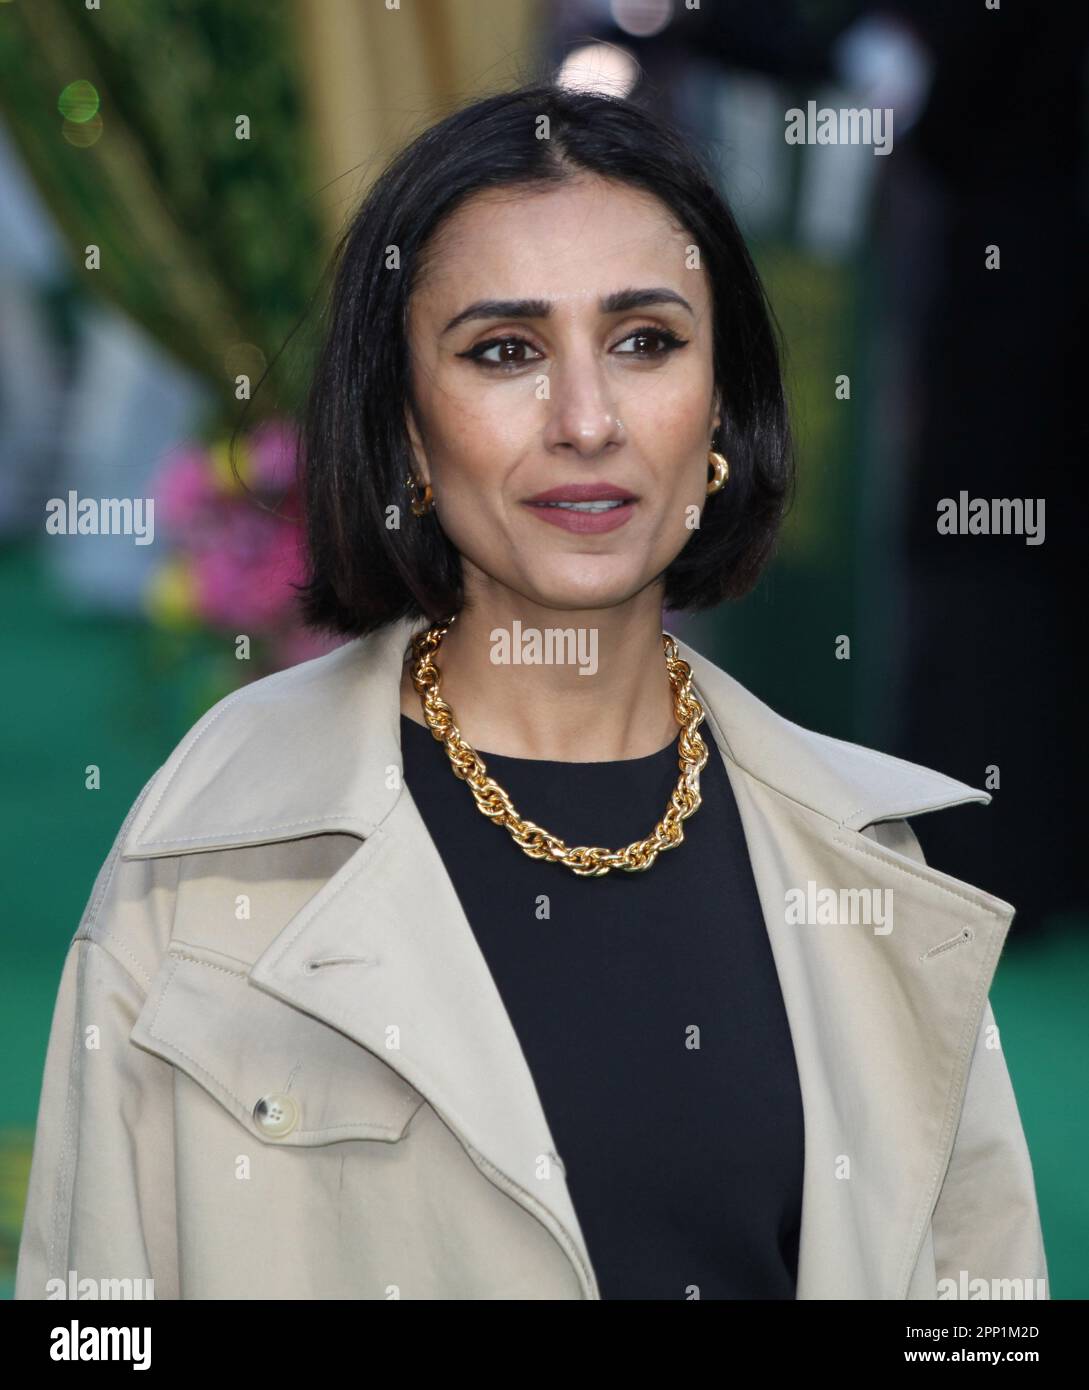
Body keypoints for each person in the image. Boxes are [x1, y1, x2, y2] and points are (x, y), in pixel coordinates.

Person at [15, 82, 1047, 1301]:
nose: (587, 418)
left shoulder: (862, 855)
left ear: (721, 405)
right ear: (403, 429)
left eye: (645, 341)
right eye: (505, 351)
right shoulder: (212, 848)